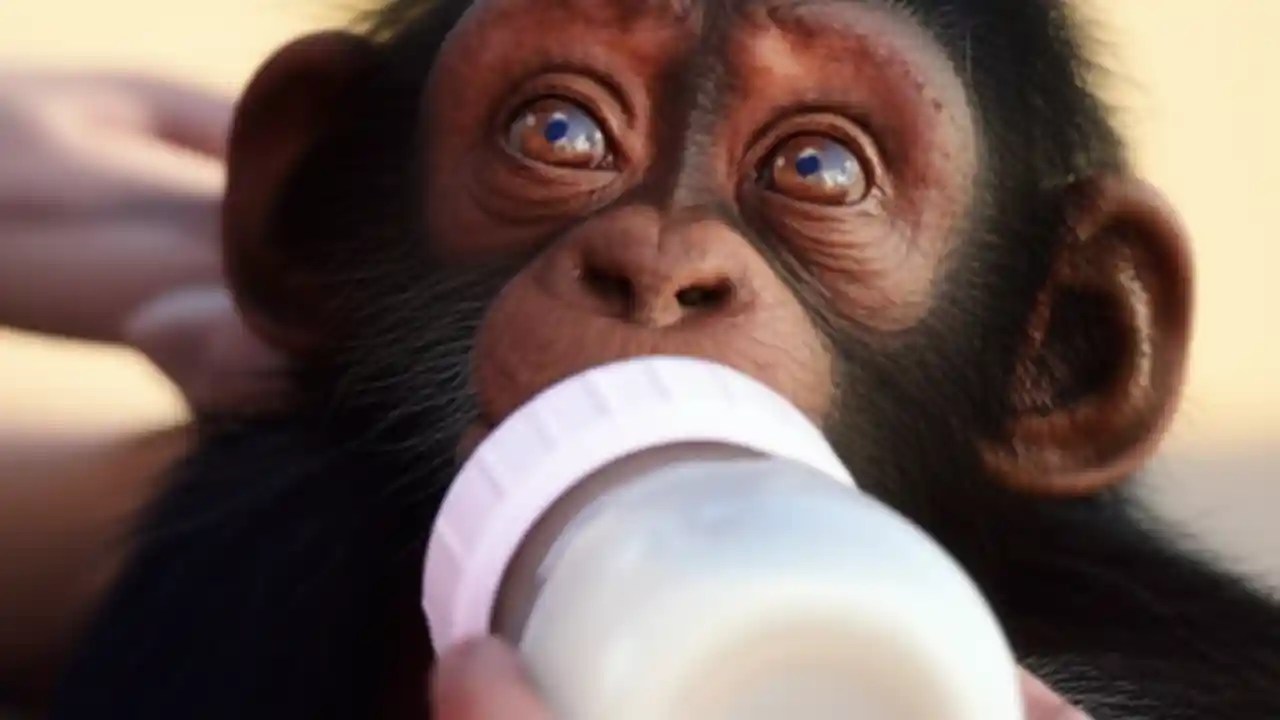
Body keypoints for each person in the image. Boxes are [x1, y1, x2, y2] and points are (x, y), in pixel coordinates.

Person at [0, 68, 1082, 720]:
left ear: (1063, 364)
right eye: (555, 132)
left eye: (820, 171)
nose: (662, 259)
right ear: (304, 232)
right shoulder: (282, 532)